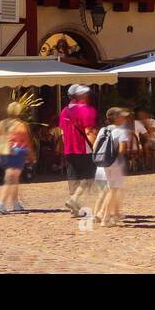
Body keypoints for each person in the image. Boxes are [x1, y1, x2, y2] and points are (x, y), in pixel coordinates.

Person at [58, 85, 98, 217]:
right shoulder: (87, 110)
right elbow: (89, 132)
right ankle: (74, 200)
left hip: (69, 149)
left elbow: (63, 133)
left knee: (73, 177)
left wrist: (67, 147)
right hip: (84, 149)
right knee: (89, 177)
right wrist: (96, 147)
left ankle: (74, 209)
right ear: (82, 96)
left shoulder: (64, 111)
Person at [93, 107, 134, 227]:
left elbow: (95, 146)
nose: (124, 118)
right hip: (114, 164)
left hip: (102, 163)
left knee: (105, 191)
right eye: (122, 116)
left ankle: (100, 214)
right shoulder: (121, 131)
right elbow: (121, 150)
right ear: (117, 118)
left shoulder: (103, 130)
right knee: (113, 190)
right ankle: (104, 217)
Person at [0, 102, 34, 214]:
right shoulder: (20, 125)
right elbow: (26, 142)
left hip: (2, 153)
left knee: (13, 178)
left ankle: (16, 203)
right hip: (16, 153)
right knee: (11, 179)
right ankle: (1, 204)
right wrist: (31, 156)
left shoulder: (1, 124)